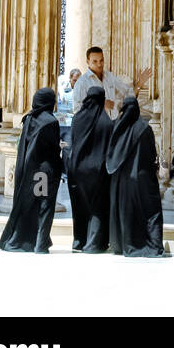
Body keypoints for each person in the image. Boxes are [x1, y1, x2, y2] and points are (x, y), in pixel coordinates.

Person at [0, 88, 62, 254]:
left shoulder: (29, 118)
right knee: (44, 206)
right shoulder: (50, 122)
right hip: (44, 172)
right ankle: (40, 244)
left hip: (30, 170)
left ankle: (29, 240)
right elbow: (53, 149)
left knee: (32, 205)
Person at [106, 96, 167, 257]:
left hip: (122, 180)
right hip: (143, 178)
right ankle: (151, 245)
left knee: (126, 212)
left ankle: (124, 244)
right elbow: (151, 154)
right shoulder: (144, 128)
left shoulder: (117, 127)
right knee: (150, 211)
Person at [67, 86, 112, 253]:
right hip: (98, 171)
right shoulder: (106, 121)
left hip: (77, 170)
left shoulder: (77, 118)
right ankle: (94, 243)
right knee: (98, 208)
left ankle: (78, 242)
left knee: (79, 207)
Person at [71, 46, 151, 118]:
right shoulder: (82, 83)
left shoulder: (110, 77)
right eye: (95, 61)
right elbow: (78, 111)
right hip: (94, 130)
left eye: (101, 60)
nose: (99, 64)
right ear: (87, 62)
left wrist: (139, 84)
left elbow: (128, 95)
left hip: (112, 127)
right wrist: (99, 107)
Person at [57, 67, 82, 177]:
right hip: (61, 123)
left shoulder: (82, 92)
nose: (76, 83)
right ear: (70, 79)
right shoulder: (62, 89)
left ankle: (65, 172)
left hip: (71, 125)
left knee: (67, 148)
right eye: (75, 80)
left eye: (78, 81)